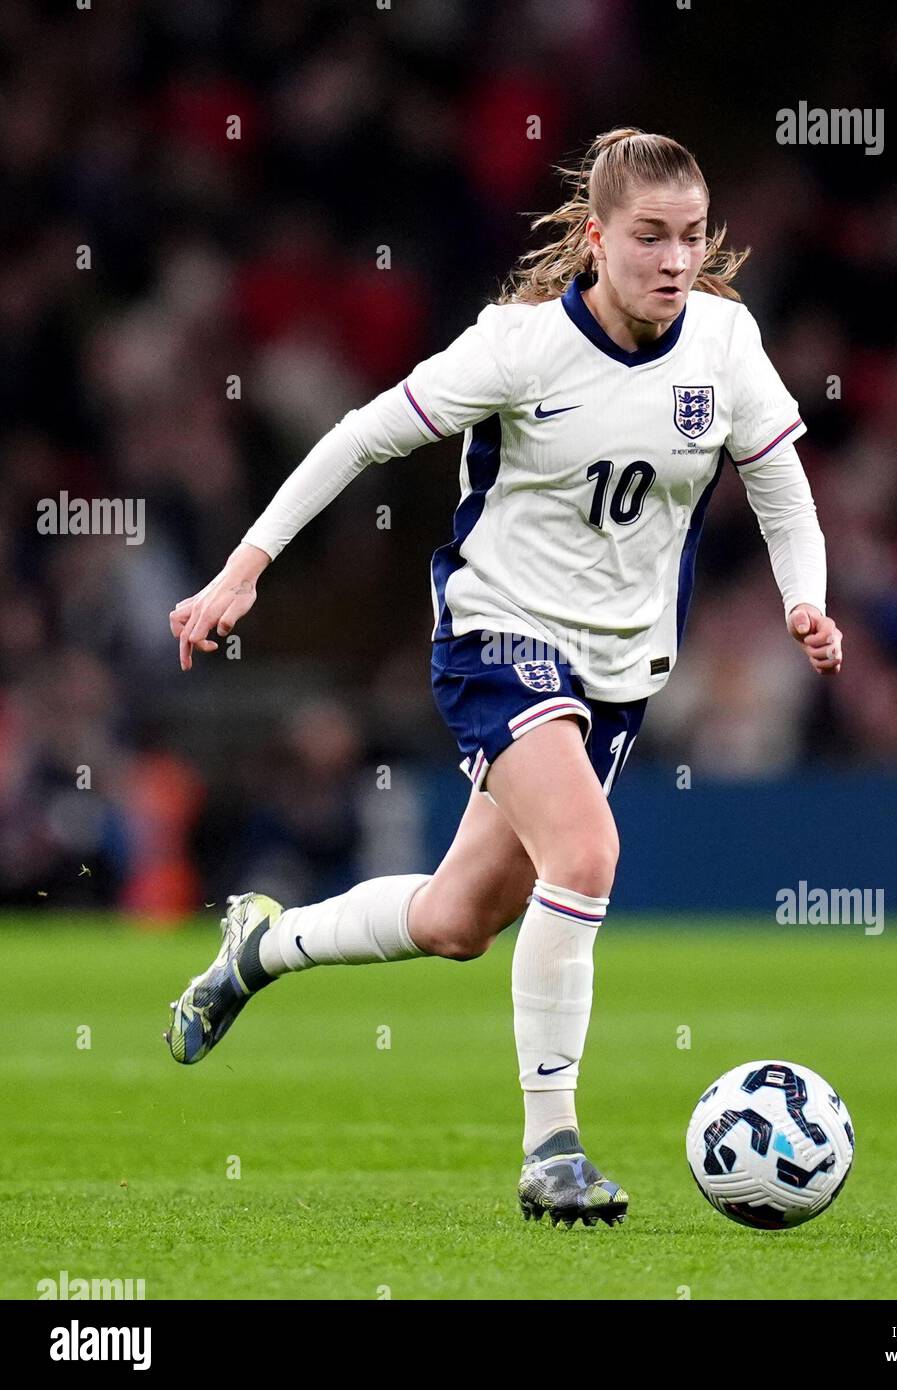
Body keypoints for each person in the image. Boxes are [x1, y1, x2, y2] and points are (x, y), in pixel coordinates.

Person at [164, 127, 843, 1229]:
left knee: (453, 920)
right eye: (647, 238)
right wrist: (245, 565)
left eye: (689, 238)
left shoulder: (723, 341)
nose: (674, 261)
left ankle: (260, 944)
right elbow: (359, 436)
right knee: (586, 852)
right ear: (595, 239)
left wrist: (799, 597)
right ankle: (552, 1150)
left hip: (620, 669)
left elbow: (782, 491)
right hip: (499, 633)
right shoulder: (520, 348)